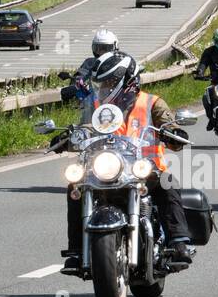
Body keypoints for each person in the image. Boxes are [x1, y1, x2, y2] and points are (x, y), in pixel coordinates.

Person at [62, 51, 195, 271]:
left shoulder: (152, 103)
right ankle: (76, 250)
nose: (105, 87)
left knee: (168, 182)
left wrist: (172, 132)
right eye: (101, 83)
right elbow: (86, 126)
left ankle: (179, 242)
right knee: (75, 187)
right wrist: (70, 137)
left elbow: (169, 125)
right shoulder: (98, 106)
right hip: (105, 168)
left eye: (110, 81)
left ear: (127, 81)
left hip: (144, 169)